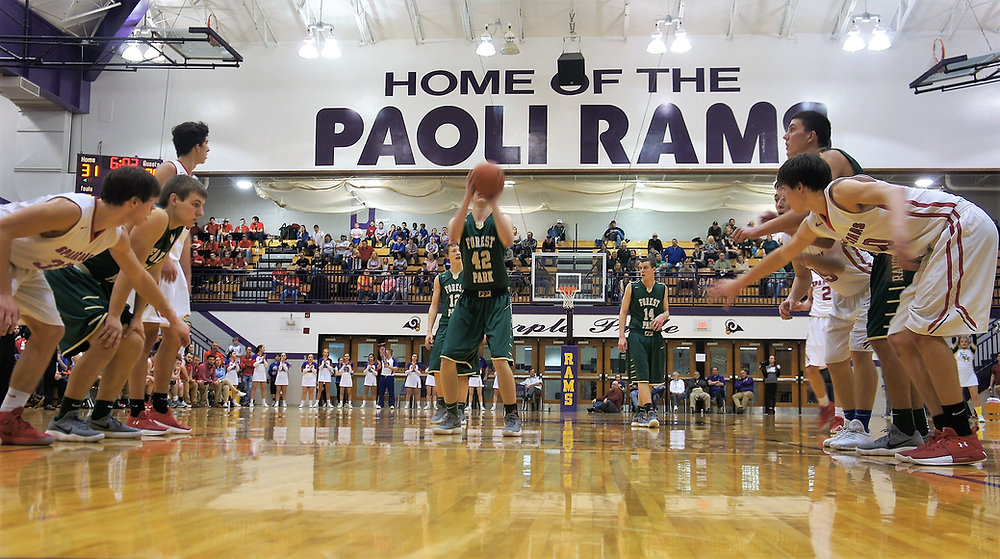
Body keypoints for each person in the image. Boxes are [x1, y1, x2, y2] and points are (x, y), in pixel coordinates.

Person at [715, 152, 997, 465]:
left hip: (957, 225)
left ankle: (961, 434)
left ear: (799, 188)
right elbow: (783, 255)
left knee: (924, 334)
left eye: (783, 191)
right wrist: (738, 284)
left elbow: (892, 193)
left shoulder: (841, 191)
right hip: (932, 247)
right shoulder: (817, 222)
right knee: (900, 339)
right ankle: (943, 429)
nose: (782, 199)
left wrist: (901, 238)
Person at [433, 171, 522, 436]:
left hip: (497, 299)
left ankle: (512, 415)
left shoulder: (501, 219)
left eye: (485, 187)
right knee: (447, 358)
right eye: (477, 187)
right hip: (469, 299)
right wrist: (467, 194)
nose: (480, 190)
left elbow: (508, 240)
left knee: (500, 359)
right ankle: (452, 414)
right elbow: (453, 233)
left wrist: (493, 198)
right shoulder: (461, 222)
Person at [425, 242, 475, 424]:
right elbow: (433, 306)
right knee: (437, 364)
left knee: (463, 369)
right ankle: (442, 405)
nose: (458, 253)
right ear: (447, 256)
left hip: (465, 325)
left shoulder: (470, 276)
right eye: (454, 251)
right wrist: (429, 331)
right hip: (446, 324)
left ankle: (460, 409)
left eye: (460, 250)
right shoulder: (441, 278)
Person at [618, 255, 670, 428]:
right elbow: (623, 312)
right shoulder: (632, 287)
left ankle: (639, 414)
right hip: (637, 335)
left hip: (655, 336)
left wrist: (662, 316)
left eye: (645, 268)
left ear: (654, 269)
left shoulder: (662, 288)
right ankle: (650, 411)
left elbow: (667, 311)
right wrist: (621, 336)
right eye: (640, 268)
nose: (642, 271)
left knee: (651, 380)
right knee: (641, 376)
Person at [953, 336, 983, 422]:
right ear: (959, 343)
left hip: (970, 376)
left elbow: (974, 341)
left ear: (968, 343)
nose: (964, 343)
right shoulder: (956, 351)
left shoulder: (971, 351)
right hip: (960, 376)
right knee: (959, 398)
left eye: (966, 341)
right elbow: (953, 340)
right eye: (962, 341)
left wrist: (973, 332)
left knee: (975, 397)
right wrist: (957, 333)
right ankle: (962, 415)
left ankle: (979, 415)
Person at [376, 345, 396, 410]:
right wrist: (379, 365)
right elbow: (379, 368)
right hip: (382, 376)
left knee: (391, 391)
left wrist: (388, 366)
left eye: (386, 353)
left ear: (390, 353)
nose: (385, 354)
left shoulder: (393, 360)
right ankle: (380, 404)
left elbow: (395, 368)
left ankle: (391, 404)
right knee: (381, 391)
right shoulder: (383, 360)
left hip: (390, 377)